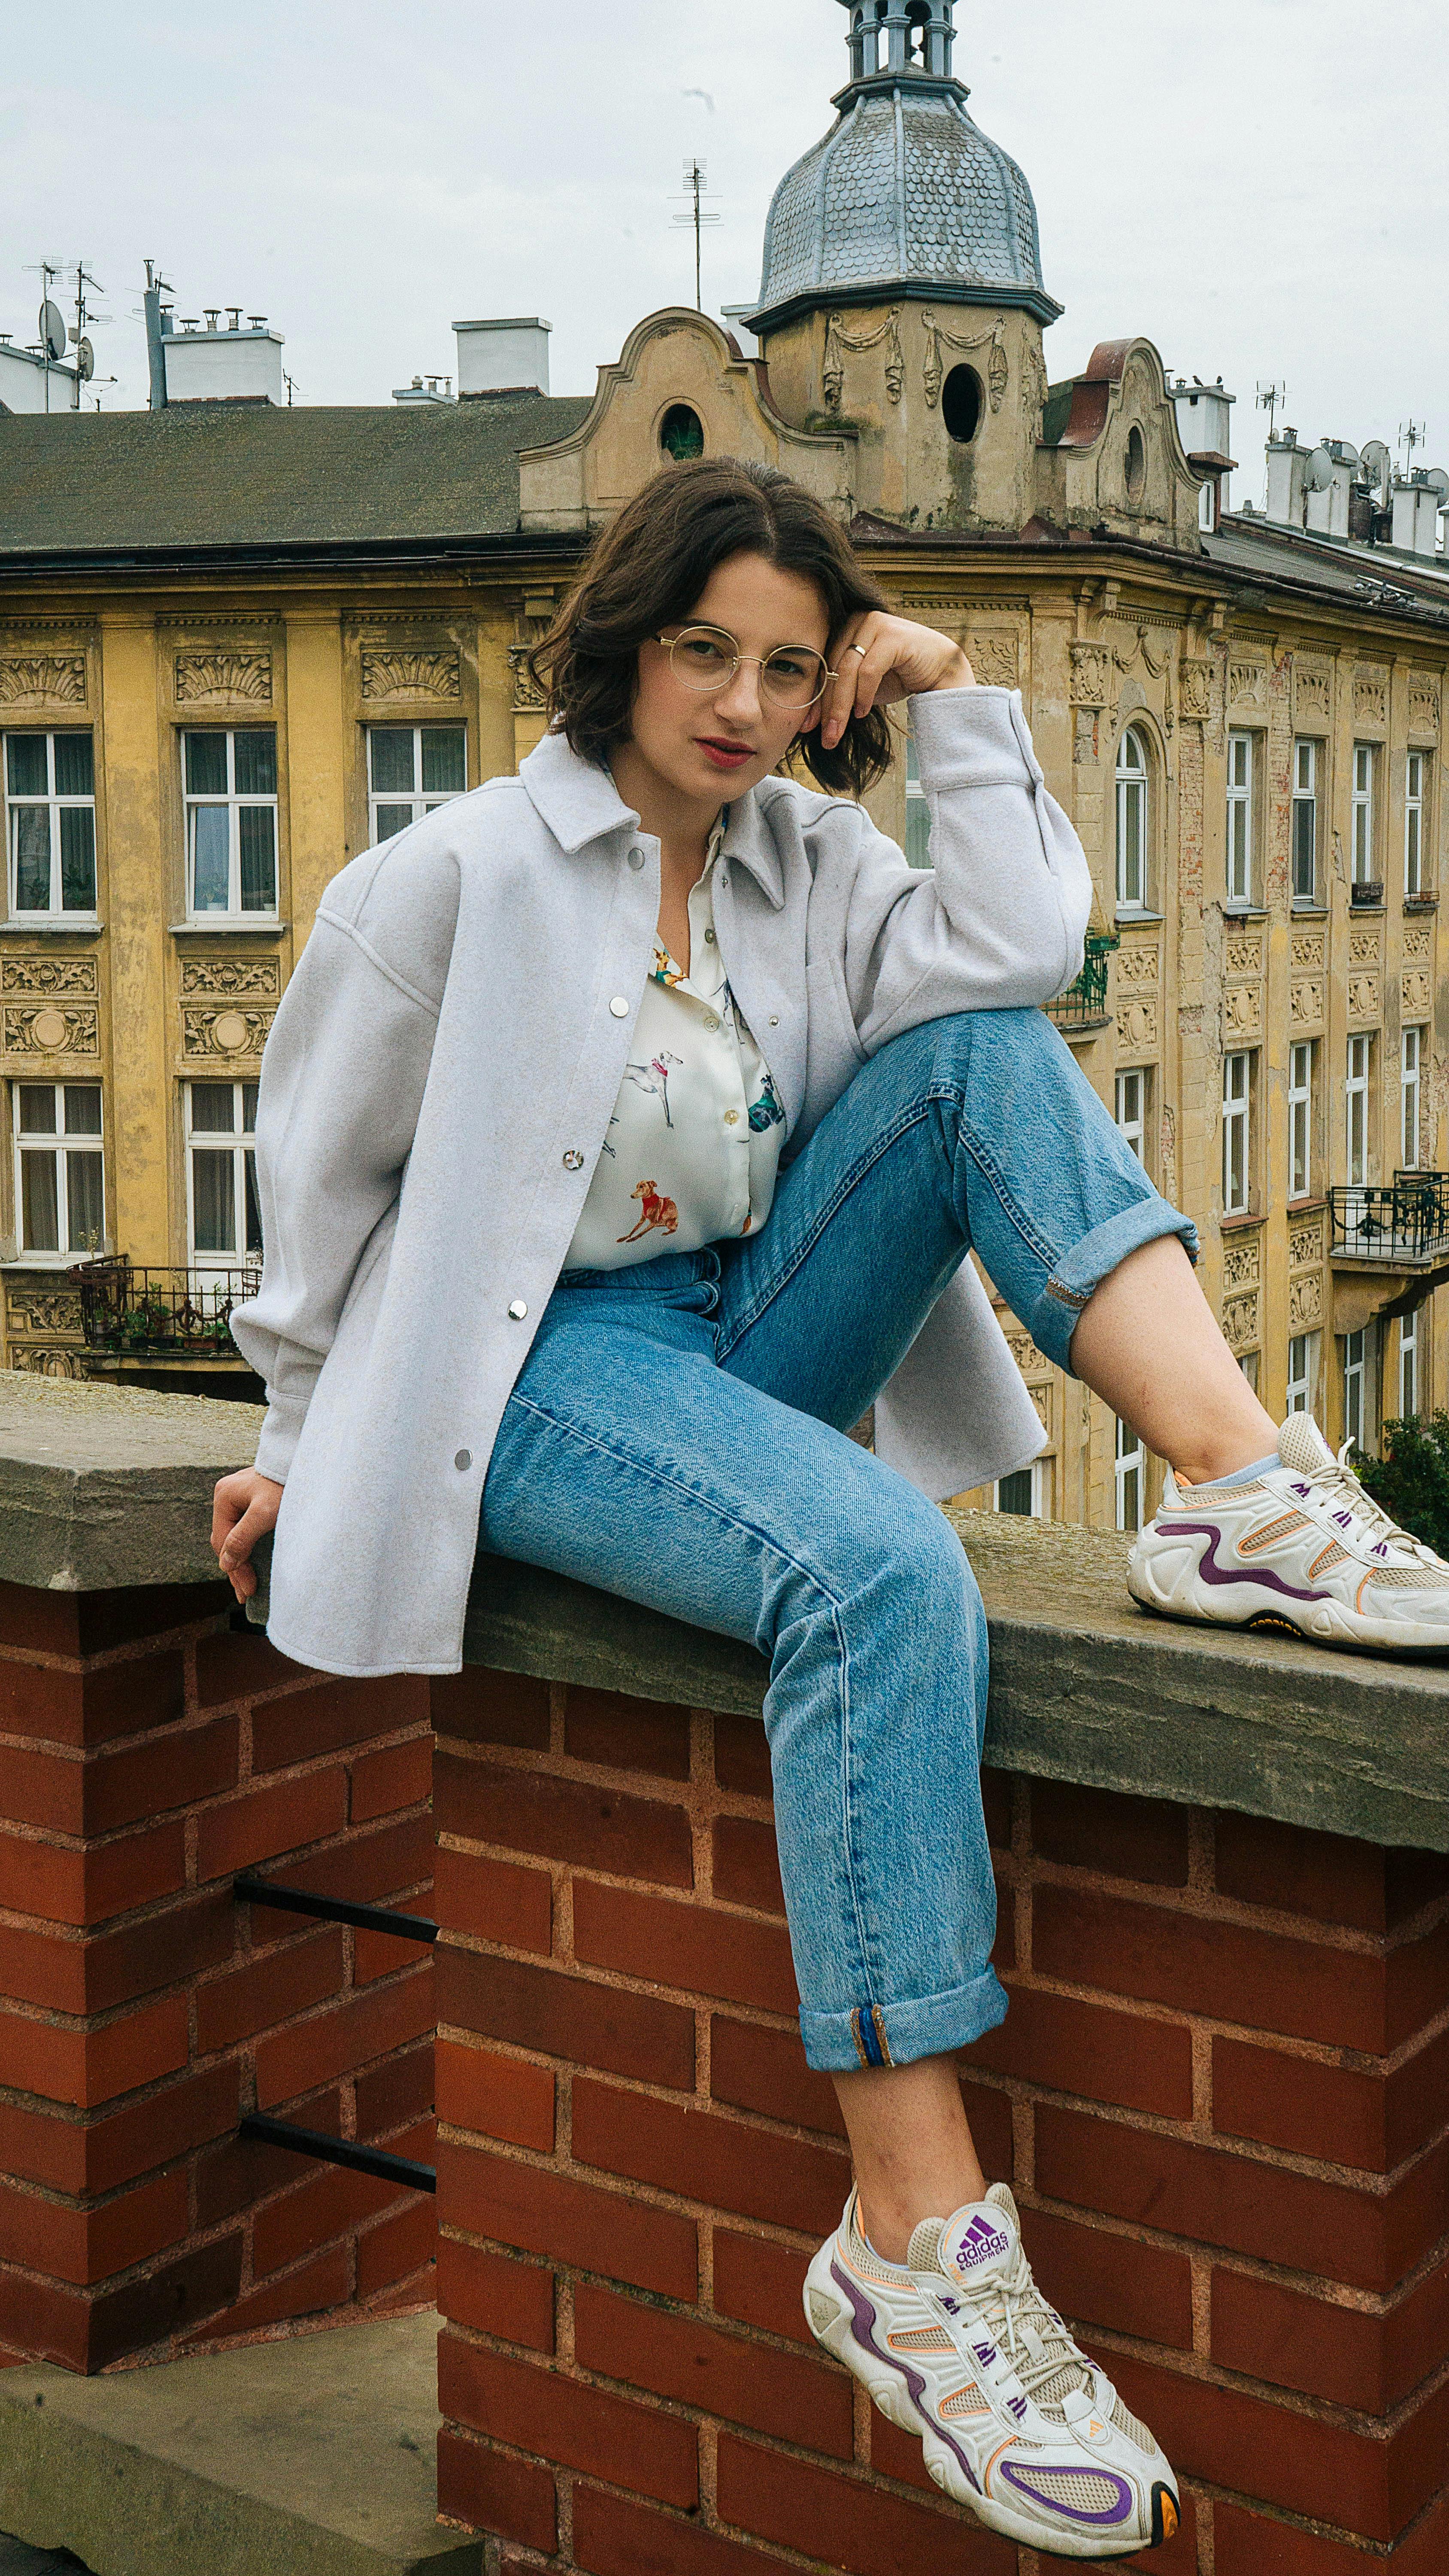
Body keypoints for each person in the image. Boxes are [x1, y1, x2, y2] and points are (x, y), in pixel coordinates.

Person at [212, 457, 1449, 2558]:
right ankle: (913, 2239)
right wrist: (289, 1431)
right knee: (879, 1576)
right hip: (540, 1367)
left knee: (978, 1059)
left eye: (789, 667)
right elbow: (315, 1185)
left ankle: (1237, 1489)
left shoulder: (811, 859)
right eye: (706, 650)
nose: (743, 703)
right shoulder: (452, 878)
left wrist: (951, 696)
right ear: (627, 641)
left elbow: (1025, 947)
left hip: (743, 1321)